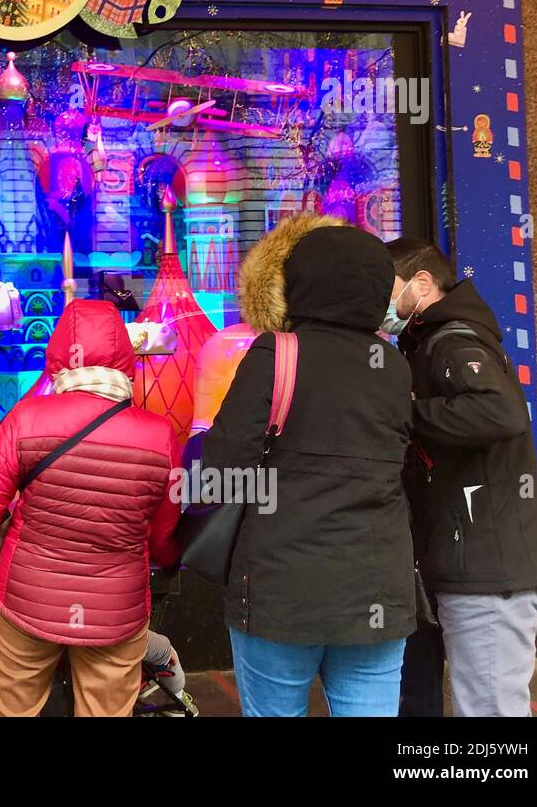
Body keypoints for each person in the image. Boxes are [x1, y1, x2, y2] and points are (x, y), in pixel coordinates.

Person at [203, 214, 415, 717]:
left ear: (298, 283)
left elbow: (223, 466)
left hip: (282, 589)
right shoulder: (393, 365)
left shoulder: (277, 353)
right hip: (376, 589)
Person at [0, 297, 182, 718]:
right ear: (125, 358)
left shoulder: (27, 419)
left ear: (58, 353)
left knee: (11, 707)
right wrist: (161, 558)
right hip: (116, 608)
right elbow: (165, 536)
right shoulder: (159, 435)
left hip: (27, 598)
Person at [384, 238, 537, 717]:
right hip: (483, 560)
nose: (380, 307)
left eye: (388, 291)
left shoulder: (452, 341)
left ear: (422, 284)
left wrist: (403, 414)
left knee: (489, 711)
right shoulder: (436, 340)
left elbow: (499, 413)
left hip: (491, 569)